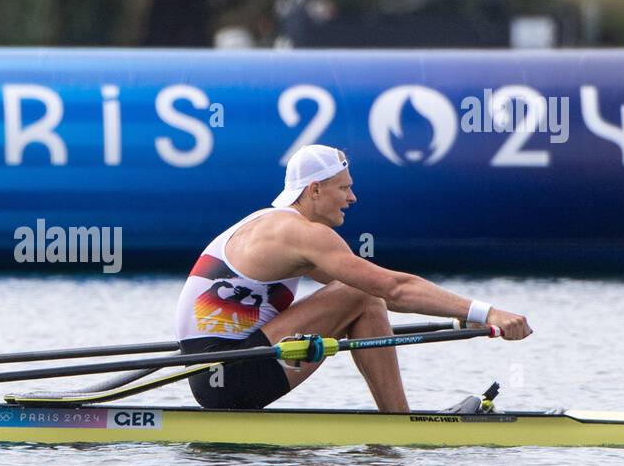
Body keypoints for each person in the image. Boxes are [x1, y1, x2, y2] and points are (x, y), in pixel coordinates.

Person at [173, 144, 532, 411]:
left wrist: (450, 311)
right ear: (314, 190)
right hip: (228, 376)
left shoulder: (270, 224)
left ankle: (396, 420)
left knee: (360, 297)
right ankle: (399, 423)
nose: (352, 197)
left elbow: (374, 295)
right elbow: (392, 289)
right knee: (361, 293)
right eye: (343, 188)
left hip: (215, 372)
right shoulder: (299, 233)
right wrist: (486, 313)